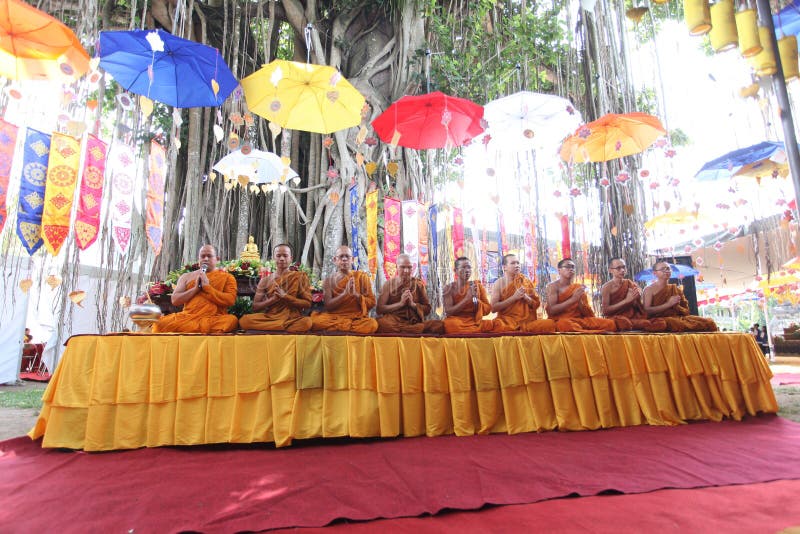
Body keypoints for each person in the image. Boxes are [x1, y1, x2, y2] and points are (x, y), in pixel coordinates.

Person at [153, 244, 239, 333]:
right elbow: (175, 300)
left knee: (232, 320)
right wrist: (194, 290)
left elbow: (230, 300)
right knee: (160, 323)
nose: (205, 259)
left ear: (217, 259)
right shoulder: (186, 277)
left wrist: (207, 288)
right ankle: (204, 330)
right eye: (202, 256)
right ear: (199, 259)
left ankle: (196, 329)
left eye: (209, 256)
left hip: (214, 318)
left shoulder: (227, 277)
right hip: (188, 317)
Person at [239, 243, 313, 333]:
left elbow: (307, 303)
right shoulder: (265, 280)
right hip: (271, 317)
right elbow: (255, 307)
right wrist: (272, 300)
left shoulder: (300, 276)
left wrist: (286, 296)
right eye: (278, 256)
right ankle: (281, 327)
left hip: (292, 318)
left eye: (285, 256)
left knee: (307, 322)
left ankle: (275, 328)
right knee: (244, 321)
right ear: (274, 258)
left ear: (291, 258)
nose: (282, 259)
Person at [310, 245, 378, 334]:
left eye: (347, 256)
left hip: (356, 318)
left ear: (352, 260)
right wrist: (345, 294)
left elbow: (372, 303)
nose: (344, 259)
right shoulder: (329, 281)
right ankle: (346, 327)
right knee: (315, 321)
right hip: (335, 317)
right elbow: (328, 306)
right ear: (335, 260)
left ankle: (340, 328)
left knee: (372, 324)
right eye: (341, 256)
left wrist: (356, 295)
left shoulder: (361, 277)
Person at [376, 254, 444, 334]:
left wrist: (413, 304)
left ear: (413, 267)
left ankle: (409, 329)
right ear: (396, 267)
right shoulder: (388, 284)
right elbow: (380, 309)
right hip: (394, 320)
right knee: (382, 324)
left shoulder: (418, 284)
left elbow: (427, 309)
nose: (406, 270)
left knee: (439, 325)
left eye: (409, 267)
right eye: (403, 267)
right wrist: (400, 304)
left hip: (413, 321)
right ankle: (413, 330)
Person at [642, 261, 718, 332]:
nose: (666, 271)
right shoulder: (649, 289)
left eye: (668, 268)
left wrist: (677, 306)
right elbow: (647, 310)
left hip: (679, 317)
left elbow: (686, 311)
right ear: (655, 273)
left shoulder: (676, 289)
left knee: (709, 323)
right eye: (662, 269)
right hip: (660, 319)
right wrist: (668, 304)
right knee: (674, 323)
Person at [545, 258, 616, 333]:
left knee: (610, 324)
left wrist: (580, 302)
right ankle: (592, 332)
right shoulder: (553, 286)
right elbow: (551, 310)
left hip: (578, 320)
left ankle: (585, 331)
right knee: (565, 325)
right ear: (559, 270)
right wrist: (573, 299)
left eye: (573, 267)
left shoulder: (577, 287)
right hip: (561, 320)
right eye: (568, 267)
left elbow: (587, 314)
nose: (571, 269)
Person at [489, 254, 555, 333]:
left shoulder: (526, 282)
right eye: (513, 263)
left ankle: (521, 329)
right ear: (504, 267)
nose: (517, 265)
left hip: (527, 322)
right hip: (507, 322)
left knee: (550, 323)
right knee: (495, 325)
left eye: (518, 263)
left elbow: (536, 305)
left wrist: (526, 297)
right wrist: (514, 298)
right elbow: (493, 308)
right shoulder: (499, 283)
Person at [600, 257, 666, 332]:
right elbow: (605, 311)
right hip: (616, 318)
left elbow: (638, 307)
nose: (622, 270)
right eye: (618, 268)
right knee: (625, 323)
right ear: (610, 270)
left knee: (660, 322)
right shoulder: (607, 287)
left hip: (633, 317)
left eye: (624, 267)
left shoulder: (630, 284)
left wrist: (637, 297)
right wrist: (626, 301)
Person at [443, 257, 493, 334]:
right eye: (463, 267)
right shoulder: (448, 288)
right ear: (455, 270)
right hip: (457, 320)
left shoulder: (477, 286)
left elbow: (488, 309)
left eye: (469, 267)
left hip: (474, 320)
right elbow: (449, 312)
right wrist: (467, 299)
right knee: (450, 325)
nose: (467, 270)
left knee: (492, 324)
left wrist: (476, 301)